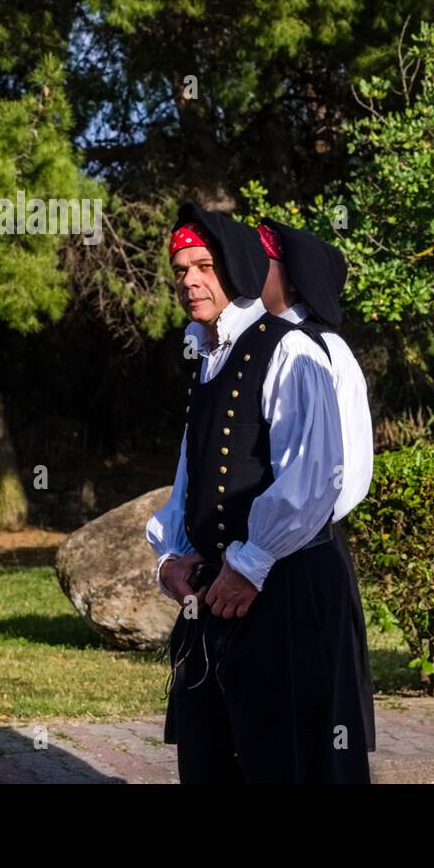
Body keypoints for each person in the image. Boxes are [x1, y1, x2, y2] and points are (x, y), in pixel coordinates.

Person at [146, 202, 374, 782]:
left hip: (283, 591)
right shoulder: (205, 355)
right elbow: (189, 472)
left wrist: (251, 563)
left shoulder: (294, 349)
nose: (189, 280)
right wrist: (170, 554)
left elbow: (314, 478)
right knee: (209, 761)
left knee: (288, 764)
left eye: (203, 266)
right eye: (179, 269)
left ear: (237, 270)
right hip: (218, 593)